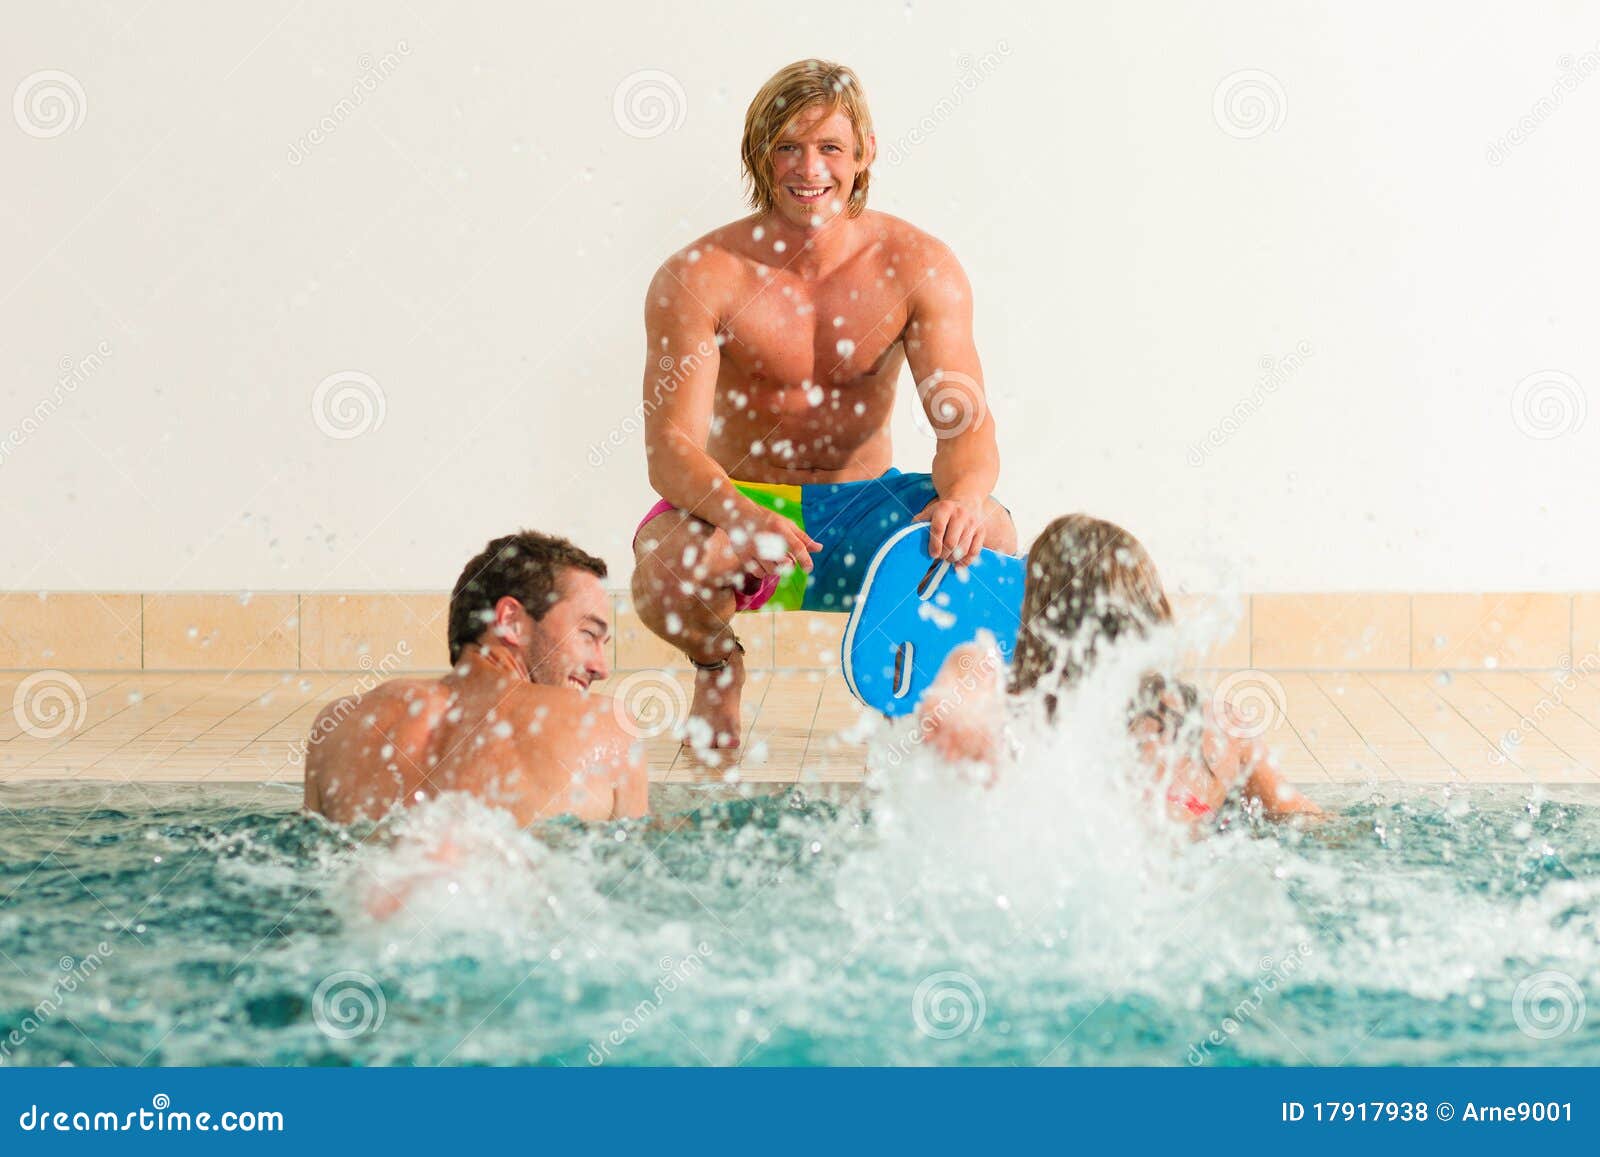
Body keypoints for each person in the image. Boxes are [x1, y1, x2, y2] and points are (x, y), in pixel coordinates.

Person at [630, 58, 1018, 756]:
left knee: (990, 532)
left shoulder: (916, 267)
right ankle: (718, 665)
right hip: (744, 505)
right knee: (660, 568)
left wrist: (964, 494)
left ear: (864, 151)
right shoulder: (699, 276)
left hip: (869, 510)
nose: (809, 168)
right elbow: (670, 451)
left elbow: (967, 425)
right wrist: (742, 514)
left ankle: (937, 715)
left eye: (830, 147)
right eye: (787, 146)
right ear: (759, 154)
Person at [916, 514, 1321, 826]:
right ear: (1152, 607)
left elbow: (947, 724)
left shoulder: (1012, 704)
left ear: (1040, 611)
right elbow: (1305, 821)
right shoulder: (1224, 727)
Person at [304, 530, 647, 826]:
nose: (601, 668)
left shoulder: (338, 726)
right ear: (510, 619)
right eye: (588, 634)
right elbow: (631, 875)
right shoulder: (605, 724)